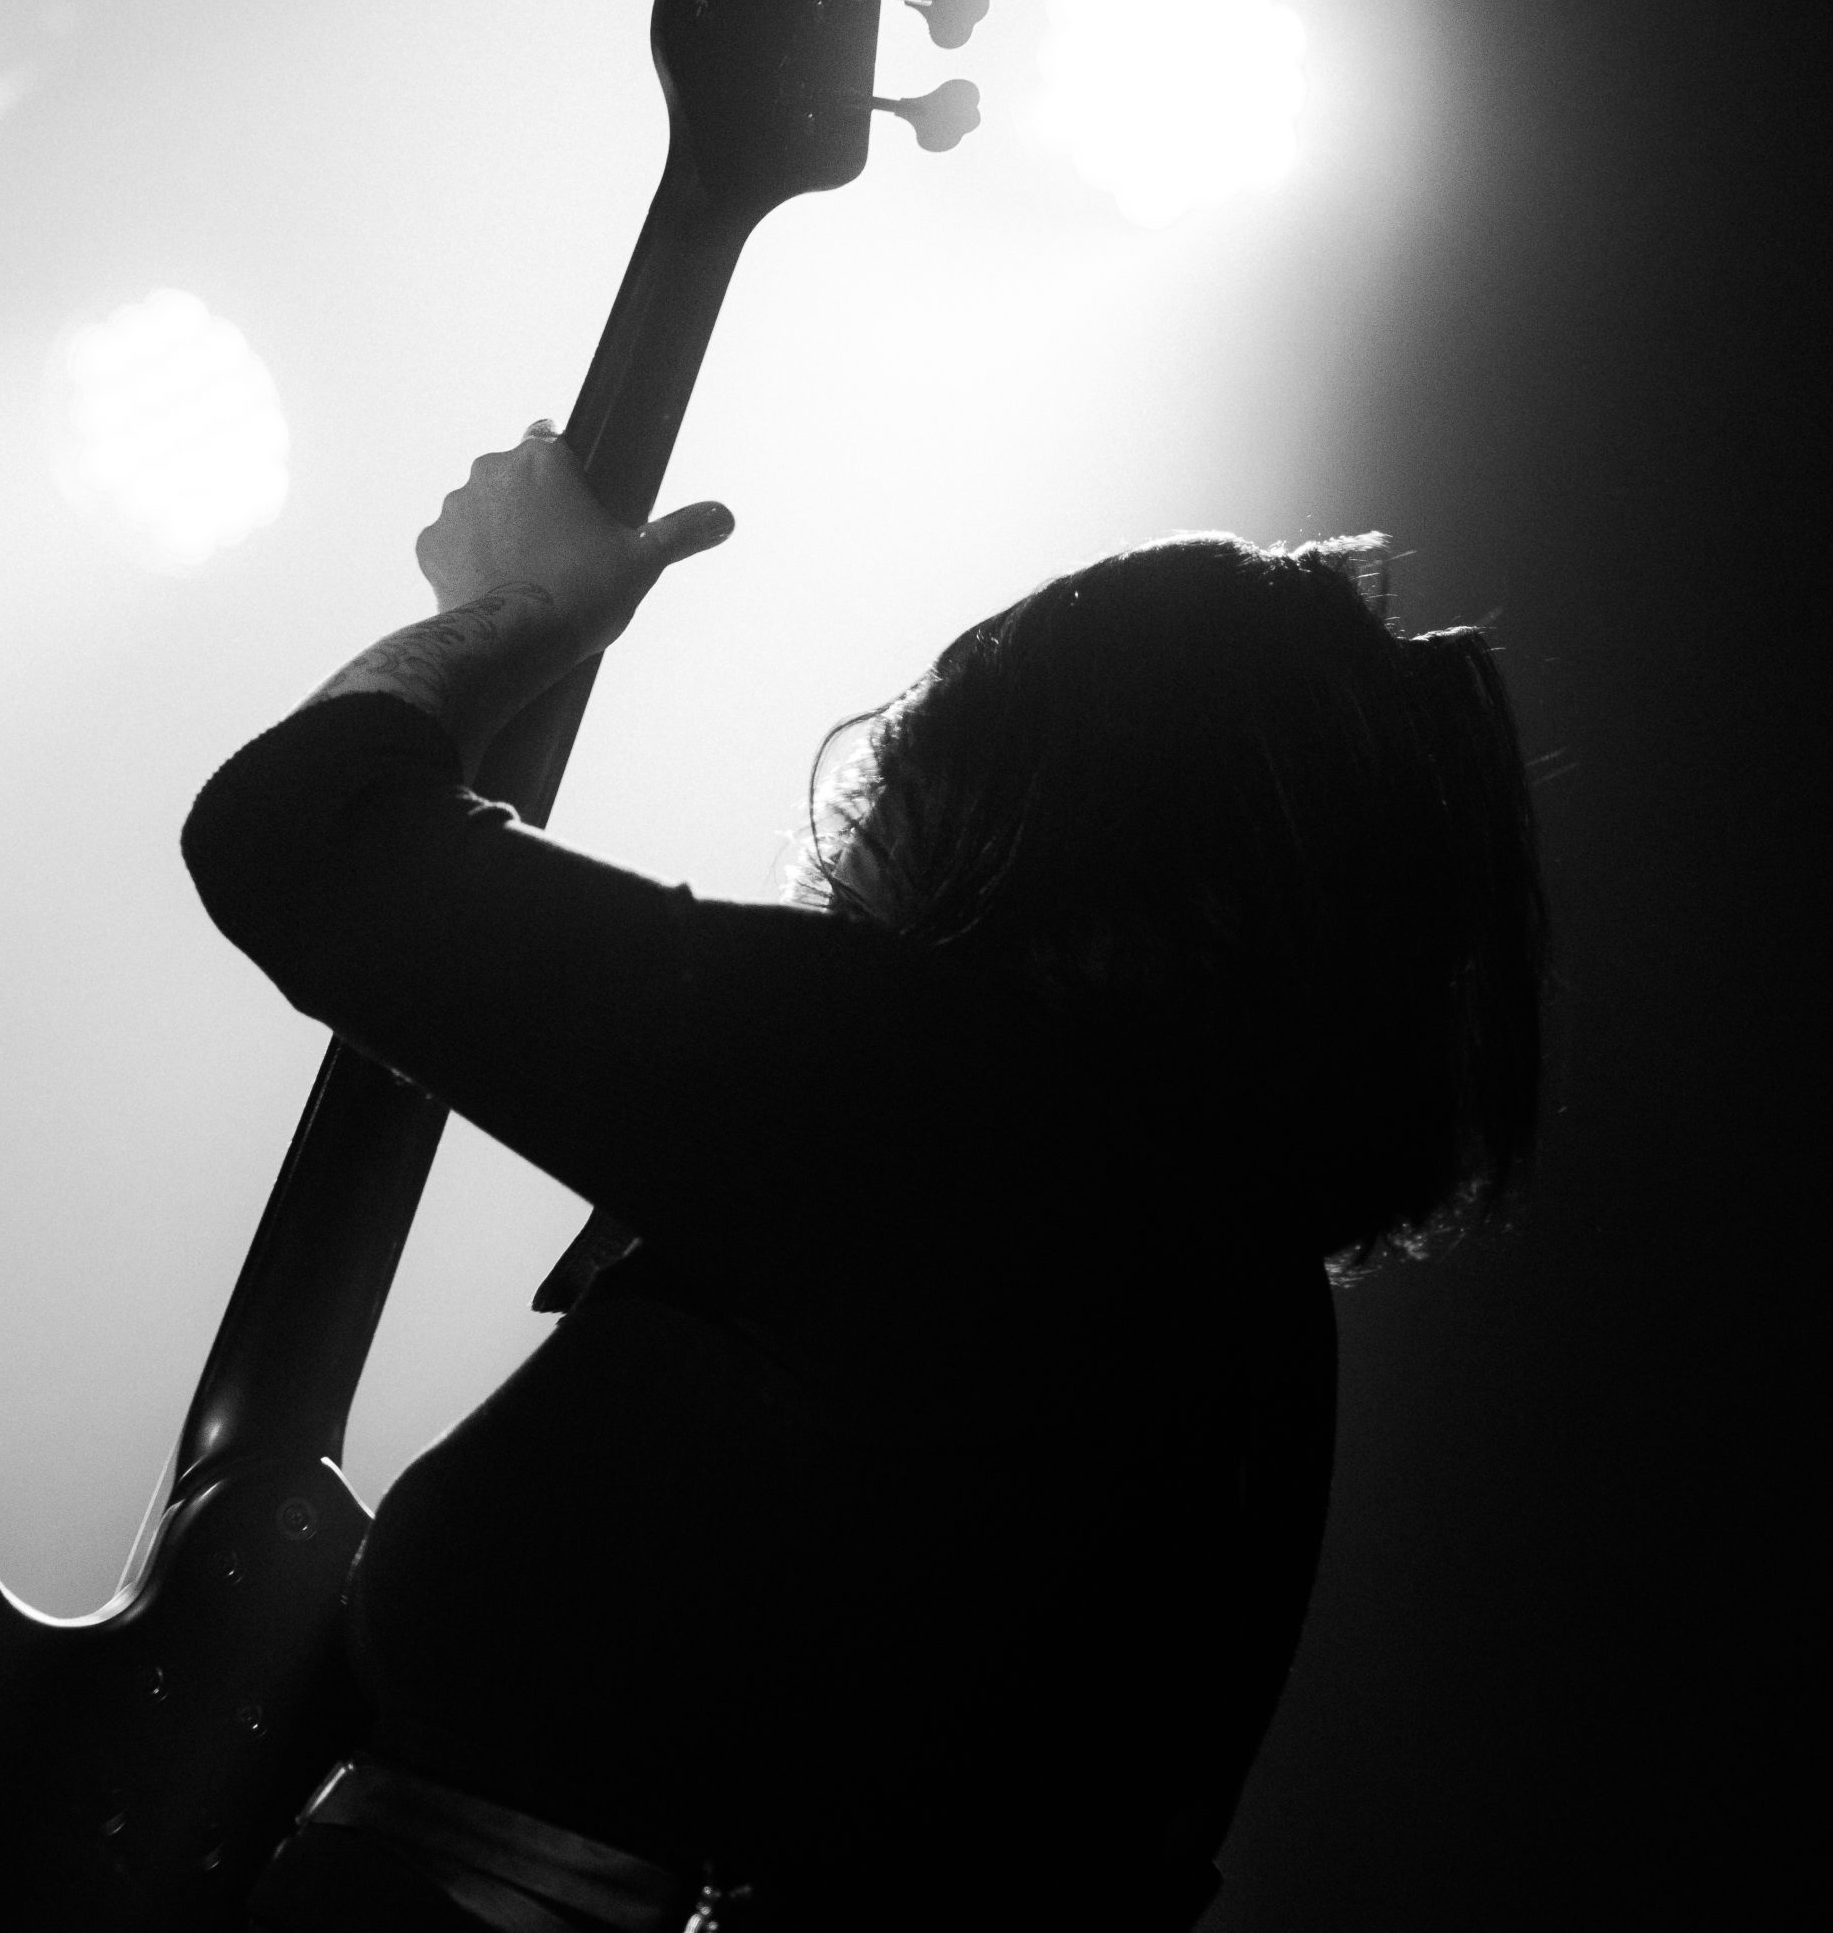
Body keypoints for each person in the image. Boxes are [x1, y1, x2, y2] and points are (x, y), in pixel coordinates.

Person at [185, 422, 1544, 1933]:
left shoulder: (952, 1098)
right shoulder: (1254, 1317)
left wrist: (532, 608)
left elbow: (298, 837)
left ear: (1032, 801)